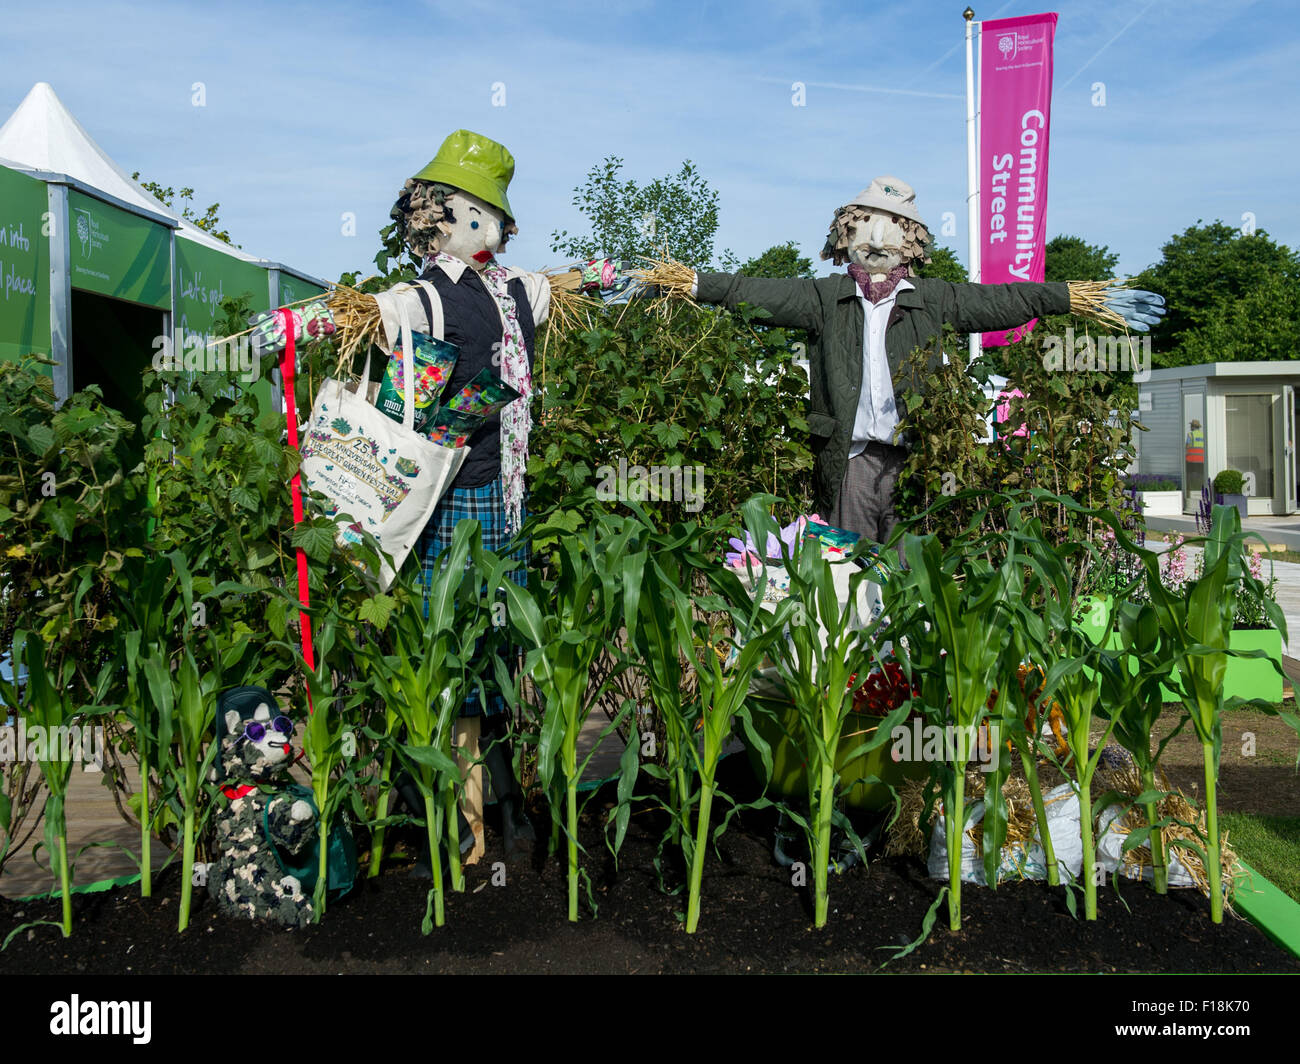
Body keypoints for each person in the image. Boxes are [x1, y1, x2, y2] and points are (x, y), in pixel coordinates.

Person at [686, 176, 1166, 544]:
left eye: (890, 227)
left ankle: (903, 672)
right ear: (845, 232)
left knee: (907, 570)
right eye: (866, 226)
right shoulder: (822, 298)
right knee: (845, 570)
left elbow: (1007, 301)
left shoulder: (936, 299)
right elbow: (748, 290)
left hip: (916, 462)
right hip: (848, 462)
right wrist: (687, 283)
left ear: (909, 238)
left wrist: (1071, 296)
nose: (876, 239)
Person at [386, 130, 547, 860]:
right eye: (470, 213)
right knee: (444, 655)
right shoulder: (420, 299)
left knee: (492, 655)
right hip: (444, 500)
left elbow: (565, 285)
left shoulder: (520, 291)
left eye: (493, 215)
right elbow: (383, 339)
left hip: (505, 499)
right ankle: (452, 819)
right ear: (432, 217)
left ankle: (486, 809)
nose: (487, 228)